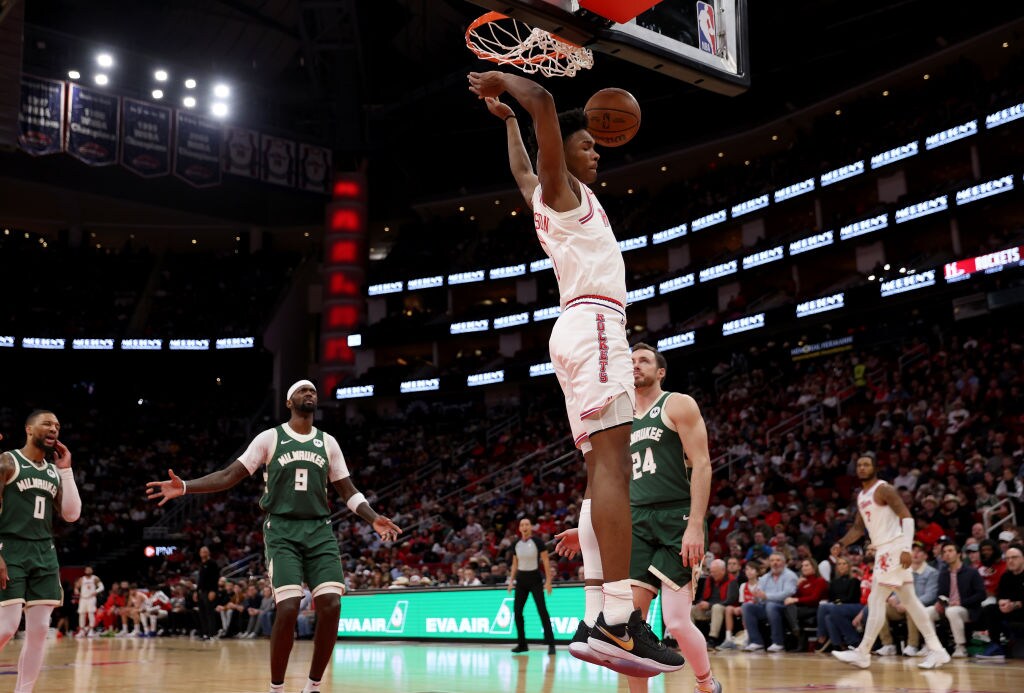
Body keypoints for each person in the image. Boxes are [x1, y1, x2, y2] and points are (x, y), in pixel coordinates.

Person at [468, 70, 681, 675]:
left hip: (573, 332)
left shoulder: (545, 196)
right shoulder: (563, 190)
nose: (597, 151)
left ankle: (597, 614)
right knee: (615, 468)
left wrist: (507, 126)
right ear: (563, 147)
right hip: (595, 326)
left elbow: (520, 172)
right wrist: (509, 85)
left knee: (599, 472)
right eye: (587, 143)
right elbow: (543, 102)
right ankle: (620, 621)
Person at [147, 379, 402, 693]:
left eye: (313, 391)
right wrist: (185, 486)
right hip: (282, 530)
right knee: (289, 607)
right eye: (302, 391)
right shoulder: (270, 437)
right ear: (289, 402)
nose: (310, 393)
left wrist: (373, 517)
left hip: (319, 530)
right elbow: (229, 476)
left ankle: (313, 685)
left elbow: (347, 491)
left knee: (332, 605)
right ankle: (277, 688)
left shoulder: (328, 443)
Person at [555, 343, 717, 690]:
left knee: (675, 620)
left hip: (677, 517)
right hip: (635, 520)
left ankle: (705, 683)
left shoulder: (677, 404)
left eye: (643, 360)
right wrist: (587, 529)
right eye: (629, 361)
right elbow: (611, 485)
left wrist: (695, 525)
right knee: (627, 625)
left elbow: (702, 464)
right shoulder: (618, 420)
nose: (635, 365)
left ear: (660, 372)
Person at [832, 453, 951, 669]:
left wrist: (906, 547)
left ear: (875, 467)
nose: (862, 468)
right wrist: (842, 543)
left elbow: (907, 516)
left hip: (894, 547)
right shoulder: (861, 495)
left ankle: (863, 652)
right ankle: (938, 650)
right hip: (884, 549)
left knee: (875, 599)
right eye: (859, 465)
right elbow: (859, 528)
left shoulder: (884, 489)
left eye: (866, 464)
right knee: (912, 602)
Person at [0, 409, 82, 692]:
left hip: (44, 552)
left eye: (57, 425)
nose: (53, 429)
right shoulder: (7, 461)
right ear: (28, 428)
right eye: (47, 423)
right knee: (7, 627)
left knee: (37, 633)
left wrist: (66, 470)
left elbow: (71, 514)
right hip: (10, 549)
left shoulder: (52, 471)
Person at [925, 539, 985, 658]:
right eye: (944, 552)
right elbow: (940, 593)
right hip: (948, 607)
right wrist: (940, 602)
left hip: (968, 609)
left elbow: (981, 595)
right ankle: (931, 646)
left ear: (959, 554)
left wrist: (961, 602)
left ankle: (960, 646)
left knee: (953, 611)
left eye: (950, 551)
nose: (947, 554)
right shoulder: (943, 573)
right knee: (927, 612)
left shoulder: (972, 572)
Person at [508, 517, 556, 655]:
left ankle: (551, 643)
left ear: (531, 527)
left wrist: (548, 581)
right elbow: (515, 564)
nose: (524, 527)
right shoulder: (516, 544)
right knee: (517, 612)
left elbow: (546, 562)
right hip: (521, 580)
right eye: (522, 524)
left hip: (535, 579)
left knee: (542, 610)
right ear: (519, 528)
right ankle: (522, 644)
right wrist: (511, 581)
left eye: (527, 524)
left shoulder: (538, 542)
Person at [741, 552, 798, 652]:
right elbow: (760, 595)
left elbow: (787, 593)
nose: (775, 563)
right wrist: (757, 597)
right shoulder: (765, 577)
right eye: (772, 560)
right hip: (766, 606)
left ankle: (778, 642)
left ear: (784, 563)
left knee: (771, 606)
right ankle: (756, 642)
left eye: (778, 560)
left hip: (784, 607)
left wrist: (766, 596)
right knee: (747, 606)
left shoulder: (790, 576)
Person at [976, 543, 1024, 660]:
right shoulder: (1006, 577)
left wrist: (1014, 605)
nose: (1010, 561)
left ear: (1023, 558)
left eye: (1014, 558)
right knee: (990, 609)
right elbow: (1000, 596)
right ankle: (996, 645)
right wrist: (1002, 603)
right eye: (1007, 558)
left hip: (1021, 610)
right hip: (1010, 610)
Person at [73, 566, 104, 637]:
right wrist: (77, 591)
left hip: (91, 598)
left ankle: (91, 630)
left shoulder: (95, 578)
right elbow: (76, 587)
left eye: (89, 569)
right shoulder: (82, 579)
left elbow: (102, 587)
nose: (88, 571)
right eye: (87, 570)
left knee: (91, 613)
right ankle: (81, 631)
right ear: (85, 571)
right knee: (81, 614)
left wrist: (96, 591)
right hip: (83, 598)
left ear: (92, 570)